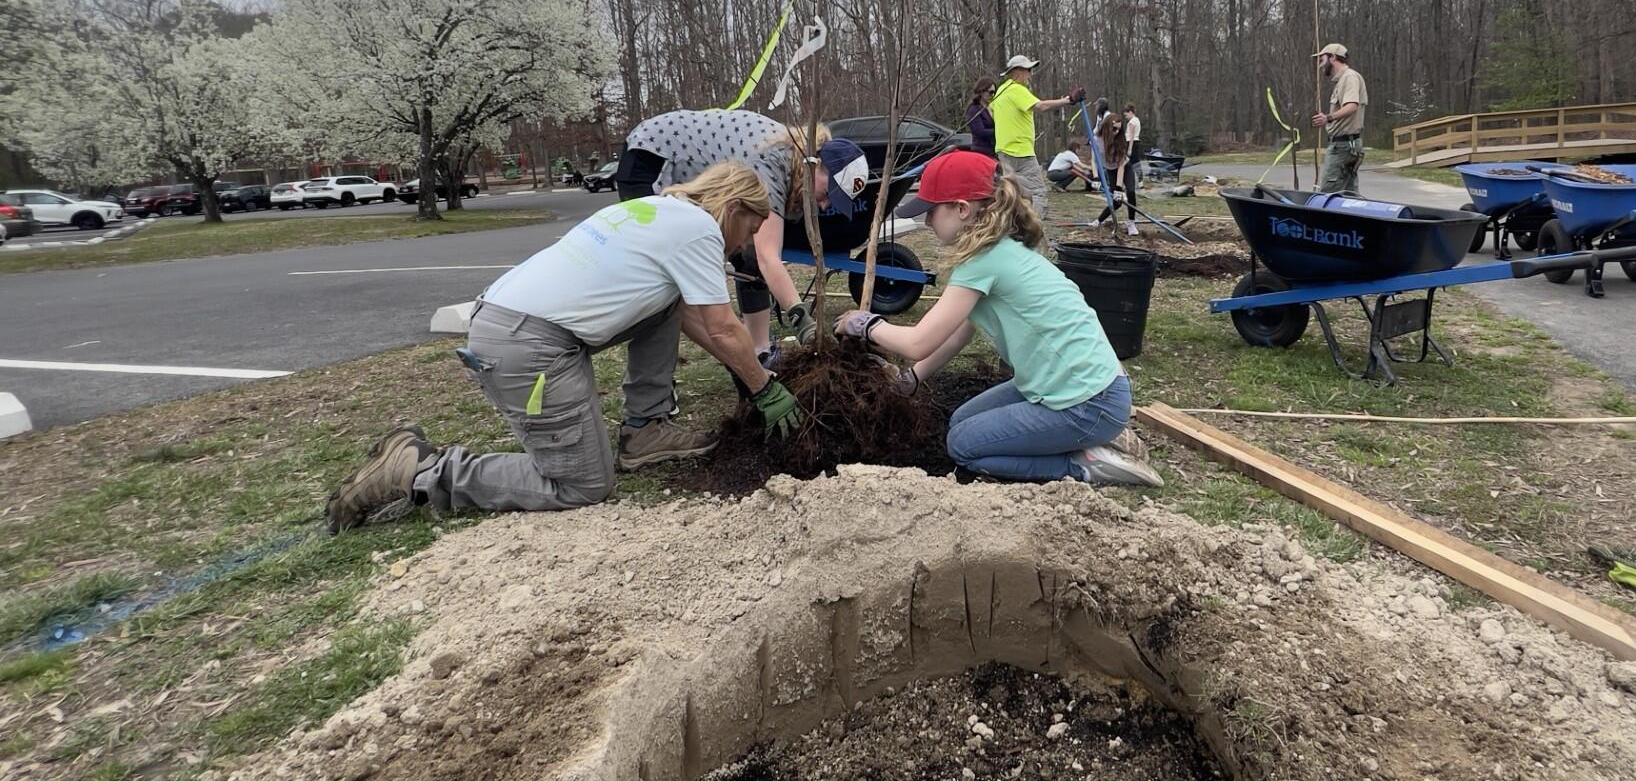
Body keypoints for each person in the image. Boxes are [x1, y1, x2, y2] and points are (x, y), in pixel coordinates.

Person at [323, 162, 802, 532]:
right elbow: (722, 326)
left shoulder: (659, 210)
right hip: (527, 347)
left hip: (510, 324)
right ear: (735, 207)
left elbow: (691, 317)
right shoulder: (699, 229)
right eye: (751, 228)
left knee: (667, 302)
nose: (745, 244)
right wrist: (764, 388)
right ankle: (422, 470)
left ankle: (645, 430)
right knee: (581, 484)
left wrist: (747, 372)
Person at [833, 150, 1160, 487]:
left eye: (931, 211)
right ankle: (1093, 436)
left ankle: (1083, 465)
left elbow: (919, 342)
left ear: (961, 209)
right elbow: (958, 334)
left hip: (1087, 402)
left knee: (962, 446)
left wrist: (866, 324)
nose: (927, 221)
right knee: (962, 420)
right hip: (1084, 387)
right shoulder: (1000, 249)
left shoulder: (981, 263)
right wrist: (913, 379)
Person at [612, 109, 868, 466]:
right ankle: (644, 419)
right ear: (816, 166)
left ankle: (758, 348)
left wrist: (750, 353)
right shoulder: (774, 165)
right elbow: (768, 257)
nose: (824, 205)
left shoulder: (795, 162)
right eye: (828, 194)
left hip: (682, 163)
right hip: (654, 157)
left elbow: (755, 258)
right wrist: (801, 320)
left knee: (743, 257)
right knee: (667, 288)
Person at [990, 55, 1082, 218]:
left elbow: (991, 111)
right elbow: (1041, 106)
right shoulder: (1017, 89)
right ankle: (1034, 232)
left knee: (1011, 193)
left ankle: (1010, 230)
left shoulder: (1001, 92)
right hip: (1021, 151)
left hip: (1004, 150)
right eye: (1028, 70)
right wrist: (1068, 100)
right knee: (1038, 192)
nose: (1030, 74)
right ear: (1017, 72)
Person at [1310, 43, 1369, 195]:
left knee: (1329, 194)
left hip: (1343, 146)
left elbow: (1351, 106)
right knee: (1349, 196)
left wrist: (1327, 118)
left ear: (1333, 57)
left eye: (1322, 59)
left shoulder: (1349, 78)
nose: (1320, 65)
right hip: (1345, 145)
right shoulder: (1342, 80)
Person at [1092, 112, 1138, 235]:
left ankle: (1131, 223)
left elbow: (1121, 165)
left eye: (1119, 129)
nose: (1117, 132)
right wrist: (1096, 178)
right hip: (1111, 171)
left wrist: (1118, 188)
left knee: (1131, 192)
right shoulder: (1096, 139)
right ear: (1107, 126)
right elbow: (1094, 160)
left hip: (1124, 168)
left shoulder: (1120, 140)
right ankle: (1098, 221)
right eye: (1114, 129)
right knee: (1116, 202)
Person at [963, 76, 996, 155]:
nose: (993, 95)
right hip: (981, 151)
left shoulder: (992, 107)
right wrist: (999, 131)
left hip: (994, 150)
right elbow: (980, 131)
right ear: (982, 91)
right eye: (990, 92)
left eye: (995, 92)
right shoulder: (973, 109)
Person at [1120, 103, 1143, 215]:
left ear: (1130, 112)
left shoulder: (1132, 122)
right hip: (1135, 142)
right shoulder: (1137, 120)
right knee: (1135, 162)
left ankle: (1134, 181)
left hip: (1131, 143)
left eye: (1126, 114)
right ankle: (1140, 181)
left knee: (1130, 163)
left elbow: (1132, 135)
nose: (1126, 117)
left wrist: (1129, 148)